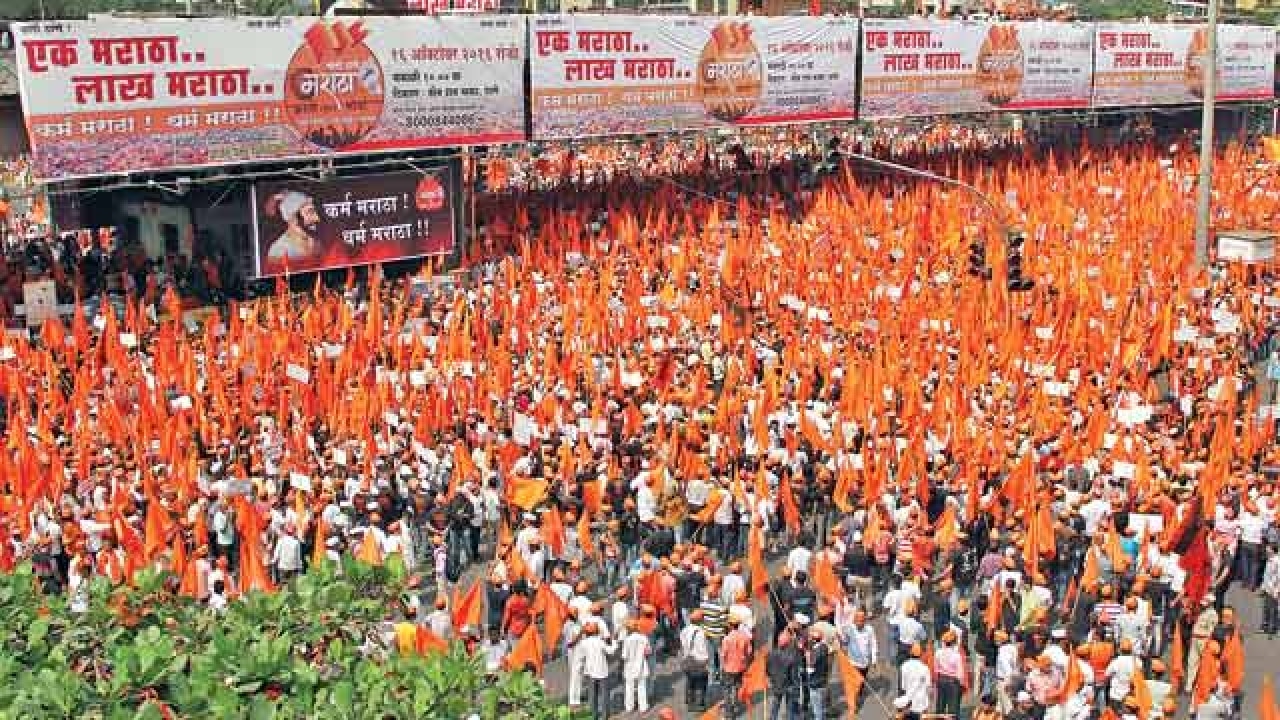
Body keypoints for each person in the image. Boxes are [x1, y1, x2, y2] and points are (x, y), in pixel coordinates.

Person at [263, 190, 319, 271]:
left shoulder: (316, 244)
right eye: (310, 212)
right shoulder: (278, 251)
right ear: (293, 218)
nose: (317, 218)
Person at [679, 609, 712, 710]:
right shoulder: (701, 633)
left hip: (687, 660)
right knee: (701, 683)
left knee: (690, 681)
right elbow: (703, 649)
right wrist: (707, 661)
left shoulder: (684, 630)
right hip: (699, 660)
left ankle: (690, 702)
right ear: (700, 620)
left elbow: (682, 646)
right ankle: (699, 704)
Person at [620, 619, 651, 714]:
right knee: (642, 686)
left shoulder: (627, 640)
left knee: (629, 687)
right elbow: (648, 652)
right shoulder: (644, 638)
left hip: (630, 666)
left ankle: (629, 707)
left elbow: (624, 656)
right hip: (641, 665)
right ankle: (643, 707)